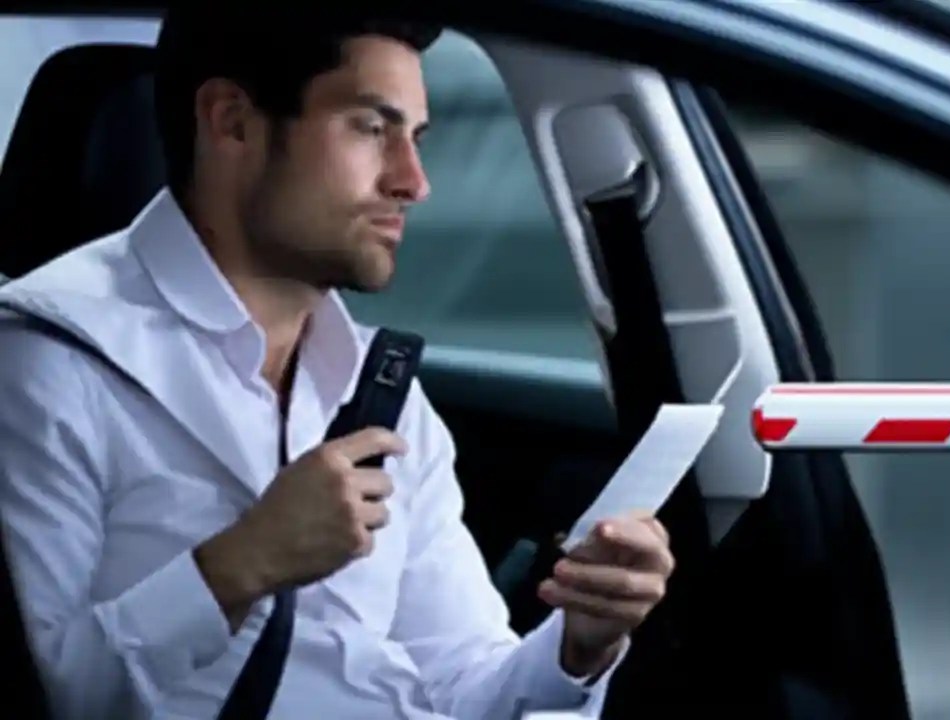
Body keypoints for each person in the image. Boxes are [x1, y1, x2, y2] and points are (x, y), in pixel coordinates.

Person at [0, 7, 674, 720]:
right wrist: (236, 567)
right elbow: (45, 695)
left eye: (415, 139)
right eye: (371, 128)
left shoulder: (383, 389)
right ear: (231, 121)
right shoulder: (46, 363)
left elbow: (463, 684)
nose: (414, 182)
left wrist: (579, 646)